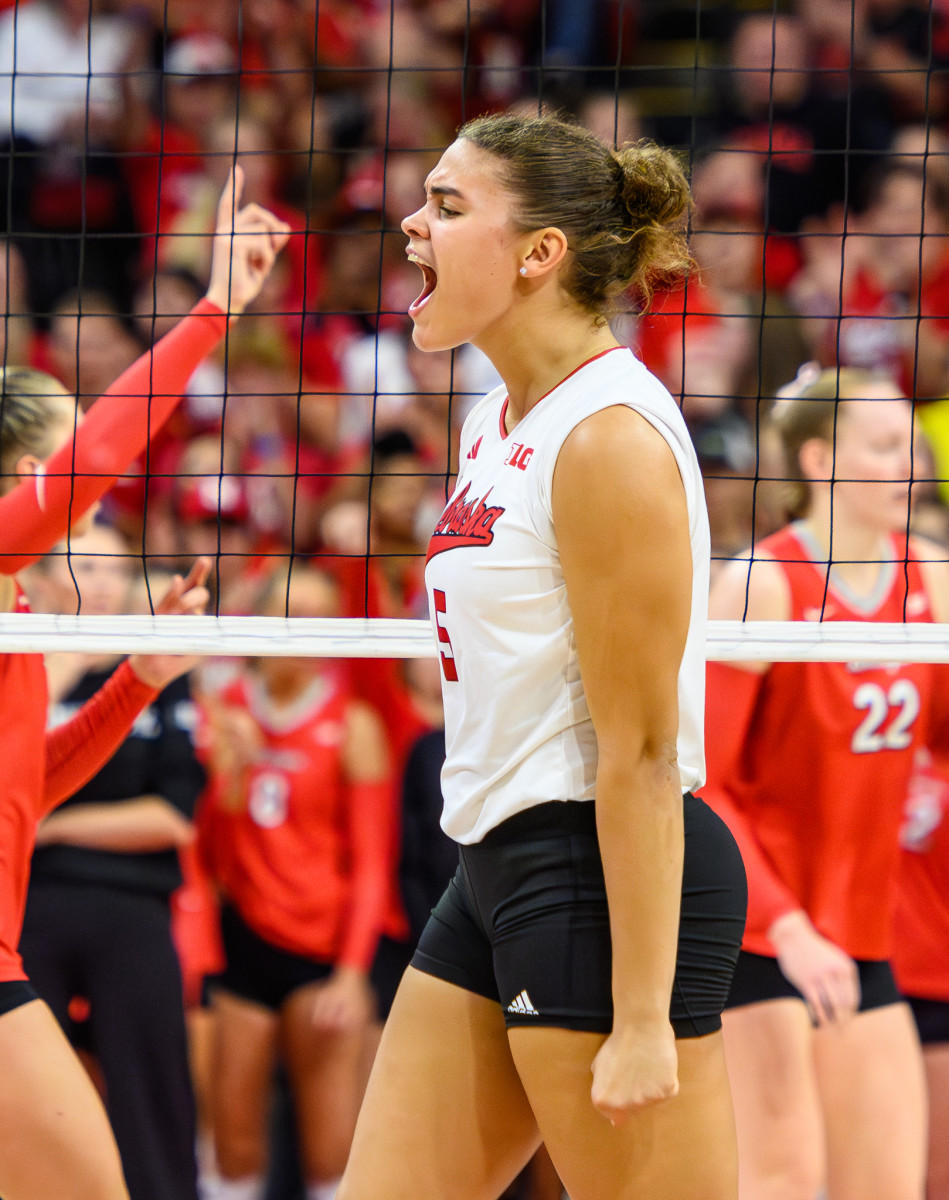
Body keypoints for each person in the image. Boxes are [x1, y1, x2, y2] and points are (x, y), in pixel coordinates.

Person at [336, 111, 747, 1200]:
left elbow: (646, 751)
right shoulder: (494, 419)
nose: (413, 224)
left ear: (539, 254)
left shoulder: (607, 438)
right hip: (492, 864)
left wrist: (644, 1014)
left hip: (596, 884)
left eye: (448, 206)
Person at [0, 167, 288, 1200]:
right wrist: (215, 308)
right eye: (66, 442)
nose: (90, 462)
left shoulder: (17, 617)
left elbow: (26, 787)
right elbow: (102, 456)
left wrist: (135, 680)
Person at [704, 366, 941, 1200]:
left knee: (886, 1184)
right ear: (818, 460)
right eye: (885, 447)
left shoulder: (933, 581)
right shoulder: (761, 584)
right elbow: (698, 785)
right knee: (781, 1178)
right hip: (758, 935)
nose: (913, 464)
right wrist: (789, 927)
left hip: (861, 934)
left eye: (911, 445)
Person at [196, 565, 400, 1200]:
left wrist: (350, 972)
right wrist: (229, 776)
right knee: (232, 1145)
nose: (304, 630)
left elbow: (372, 863)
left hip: (323, 951)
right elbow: (202, 851)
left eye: (319, 616)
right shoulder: (220, 712)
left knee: (330, 1151)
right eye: (291, 613)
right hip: (241, 946)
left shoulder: (355, 724)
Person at [18, 523, 205, 1200]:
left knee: (150, 1094)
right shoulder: (21, 657)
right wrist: (75, 654)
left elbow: (171, 818)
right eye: (85, 566)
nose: (101, 582)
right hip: (25, 909)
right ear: (39, 579)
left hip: (131, 907)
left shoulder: (157, 668)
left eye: (112, 569)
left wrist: (54, 825)